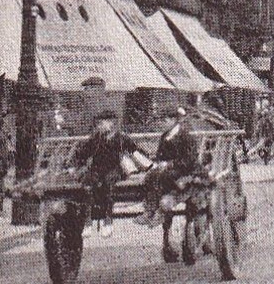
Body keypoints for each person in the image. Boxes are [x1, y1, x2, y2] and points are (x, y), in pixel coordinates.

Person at [140, 107, 202, 262]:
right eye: (162, 120)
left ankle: (158, 211)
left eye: (166, 119)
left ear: (175, 120)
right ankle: (150, 210)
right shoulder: (165, 136)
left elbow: (190, 159)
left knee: (163, 176)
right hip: (168, 169)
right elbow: (160, 155)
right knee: (150, 177)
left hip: (183, 171)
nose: (163, 122)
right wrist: (159, 164)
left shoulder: (185, 136)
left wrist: (169, 164)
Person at [71, 110, 143, 238]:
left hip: (116, 169)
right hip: (97, 170)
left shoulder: (121, 138)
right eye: (100, 123)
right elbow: (82, 154)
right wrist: (75, 166)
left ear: (112, 123)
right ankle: (87, 223)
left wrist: (145, 164)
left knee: (109, 183)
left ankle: (108, 221)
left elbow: (136, 151)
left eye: (103, 122)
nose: (100, 125)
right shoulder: (96, 138)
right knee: (88, 184)